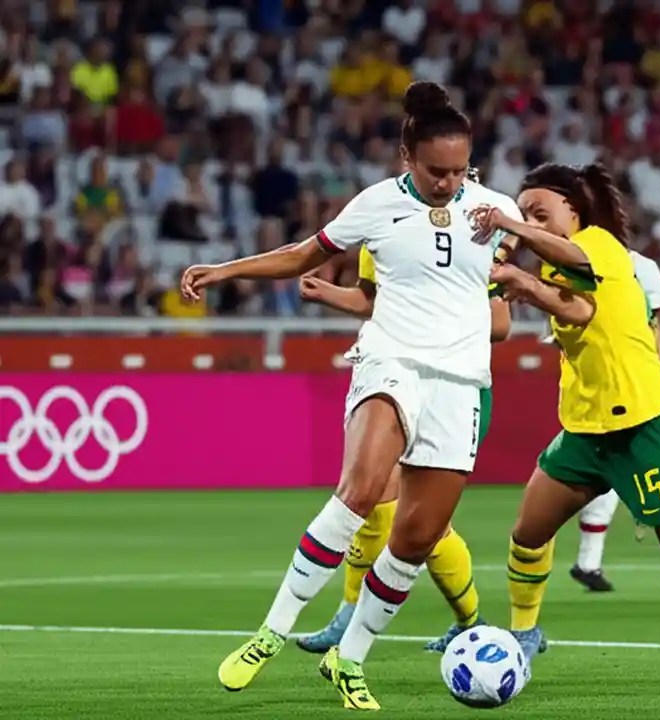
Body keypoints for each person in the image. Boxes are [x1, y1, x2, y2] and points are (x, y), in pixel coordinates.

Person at [183, 81, 521, 710]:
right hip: (390, 362)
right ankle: (271, 632)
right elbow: (303, 254)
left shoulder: (497, 210)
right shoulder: (375, 206)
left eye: (459, 170)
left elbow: (533, 286)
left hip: (462, 385)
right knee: (362, 490)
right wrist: (226, 270)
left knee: (417, 539)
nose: (449, 182)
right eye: (435, 170)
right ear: (406, 157)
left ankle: (351, 658)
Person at [473, 162, 660, 694]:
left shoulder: (601, 246)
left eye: (540, 212)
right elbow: (573, 305)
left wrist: (511, 231)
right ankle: (524, 635)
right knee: (527, 534)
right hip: (584, 431)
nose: (532, 221)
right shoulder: (558, 270)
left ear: (574, 210)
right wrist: (514, 278)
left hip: (642, 425)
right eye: (525, 213)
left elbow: (580, 307)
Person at [294, 209, 514, 655]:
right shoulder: (384, 229)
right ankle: (354, 612)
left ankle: (468, 619)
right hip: (393, 378)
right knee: (377, 503)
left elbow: (502, 325)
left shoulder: (470, 246)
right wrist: (329, 294)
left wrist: (438, 320)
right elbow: (371, 302)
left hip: (452, 390)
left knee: (421, 523)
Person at [566, 249, 660, 592]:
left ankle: (587, 563)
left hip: (625, 384)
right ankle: (584, 561)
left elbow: (655, 323)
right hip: (603, 387)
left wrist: (655, 372)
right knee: (607, 471)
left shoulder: (638, 266)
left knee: (604, 474)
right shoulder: (581, 260)